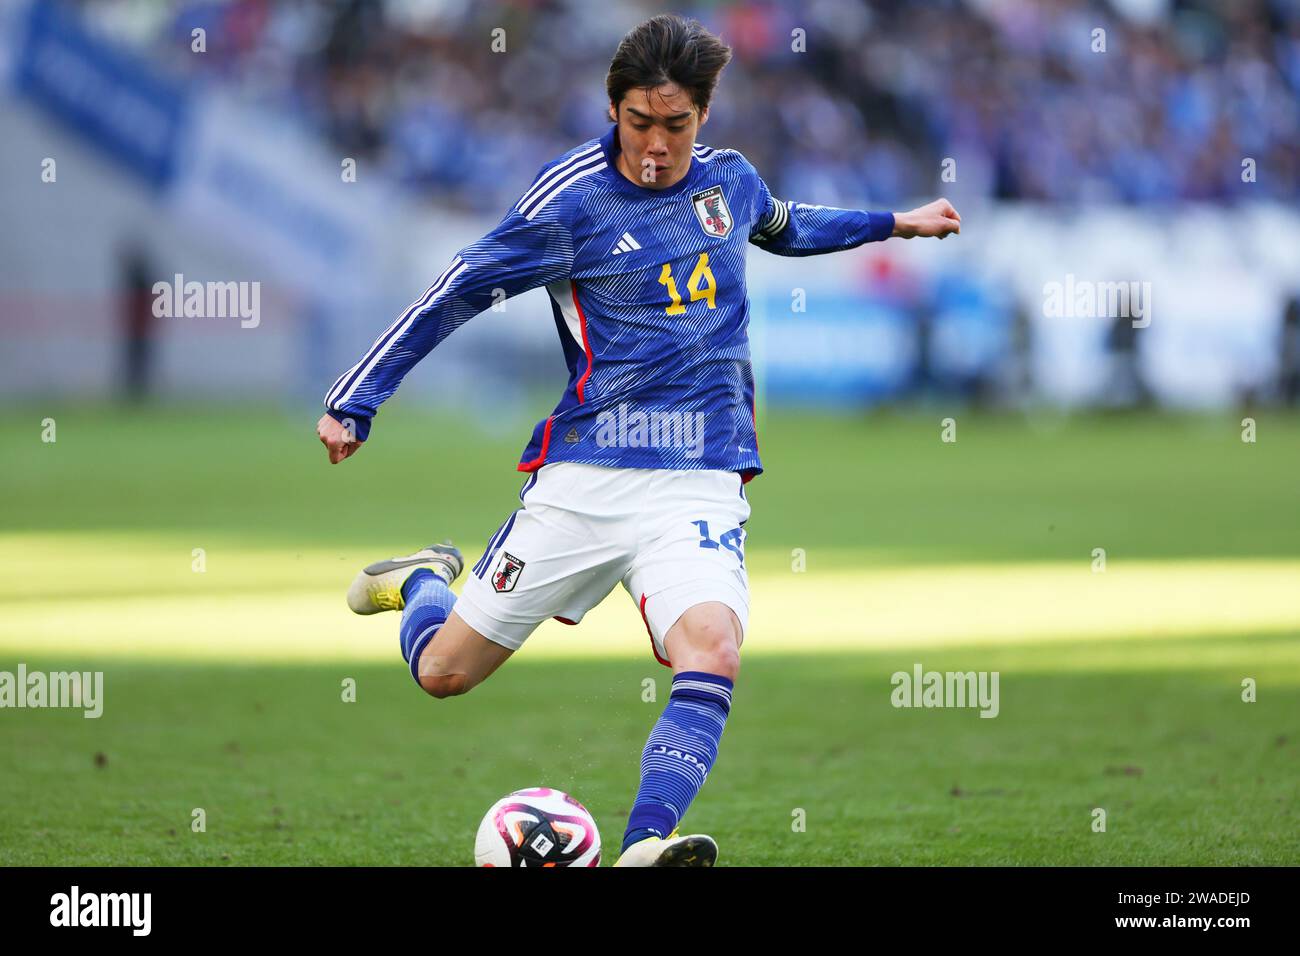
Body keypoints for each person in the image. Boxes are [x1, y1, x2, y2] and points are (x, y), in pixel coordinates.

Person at [316, 13, 960, 866]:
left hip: (701, 477)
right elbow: (461, 286)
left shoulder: (729, 183)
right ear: (613, 110)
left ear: (704, 116)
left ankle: (645, 845)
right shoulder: (571, 201)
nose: (656, 146)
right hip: (586, 476)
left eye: (676, 126)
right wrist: (357, 398)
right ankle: (427, 580)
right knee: (444, 672)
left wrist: (894, 222)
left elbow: (787, 224)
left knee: (713, 649)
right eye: (639, 123)